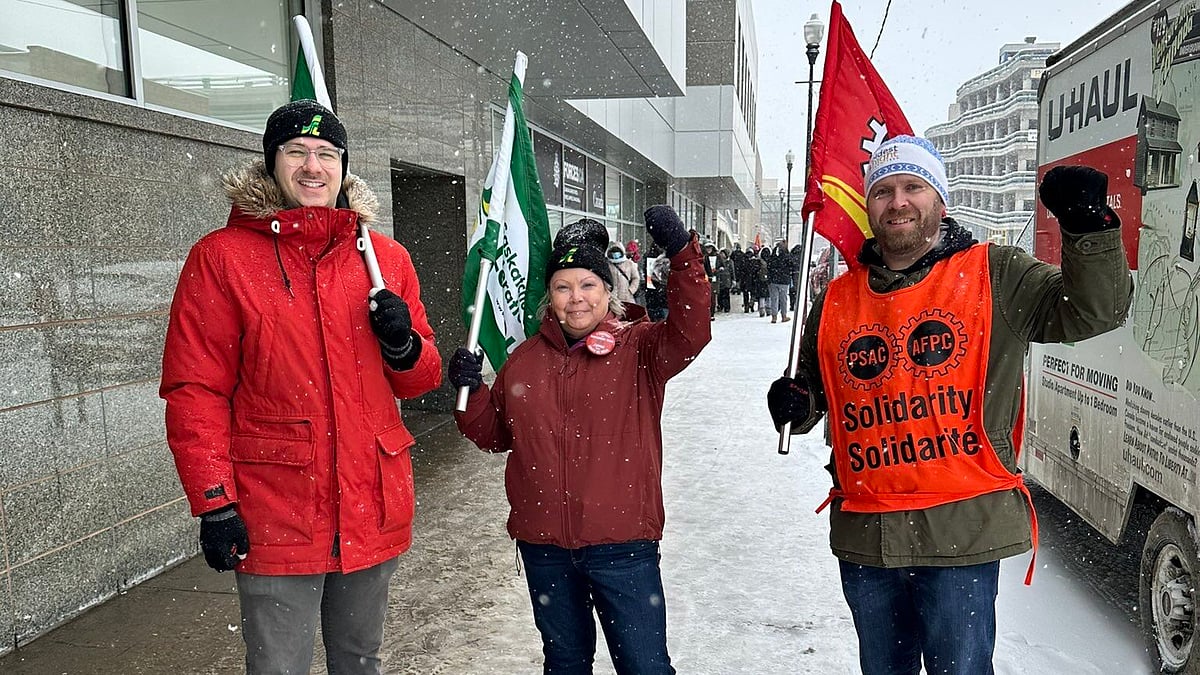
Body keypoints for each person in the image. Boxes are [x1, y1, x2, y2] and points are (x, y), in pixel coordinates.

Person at [765, 135, 1133, 675]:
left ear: (939, 199)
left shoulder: (997, 273)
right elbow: (817, 394)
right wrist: (795, 405)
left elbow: (1093, 312)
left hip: (962, 537)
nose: (898, 201)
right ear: (868, 206)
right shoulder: (838, 298)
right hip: (869, 539)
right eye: (884, 190)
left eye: (913, 186)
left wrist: (1088, 228)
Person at [160, 99, 443, 674]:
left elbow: (422, 379)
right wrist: (215, 503)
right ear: (272, 164)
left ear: (344, 167)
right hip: (276, 507)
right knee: (278, 666)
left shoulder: (382, 259)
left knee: (359, 659)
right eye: (296, 152)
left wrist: (403, 345)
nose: (313, 167)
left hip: (370, 497)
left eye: (327, 154)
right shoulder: (221, 259)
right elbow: (196, 390)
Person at [447, 205, 710, 675]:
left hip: (623, 544)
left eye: (588, 285)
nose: (576, 299)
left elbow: (692, 331)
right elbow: (494, 434)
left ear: (608, 292)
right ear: (549, 296)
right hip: (545, 547)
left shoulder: (642, 347)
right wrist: (471, 394)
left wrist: (682, 256)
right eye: (563, 287)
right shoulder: (525, 360)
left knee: (645, 666)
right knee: (565, 663)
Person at [765, 239, 793, 323]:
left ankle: (774, 317)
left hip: (773, 280)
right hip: (783, 281)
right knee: (783, 299)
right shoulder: (786, 257)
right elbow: (791, 263)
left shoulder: (773, 258)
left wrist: (774, 249)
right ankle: (784, 316)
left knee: (774, 299)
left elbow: (769, 265)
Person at [606, 240, 641, 305]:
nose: (615, 256)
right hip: (612, 297)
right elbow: (604, 278)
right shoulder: (608, 265)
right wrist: (608, 289)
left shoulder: (629, 264)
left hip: (626, 297)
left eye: (617, 253)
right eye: (614, 254)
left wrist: (631, 290)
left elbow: (636, 278)